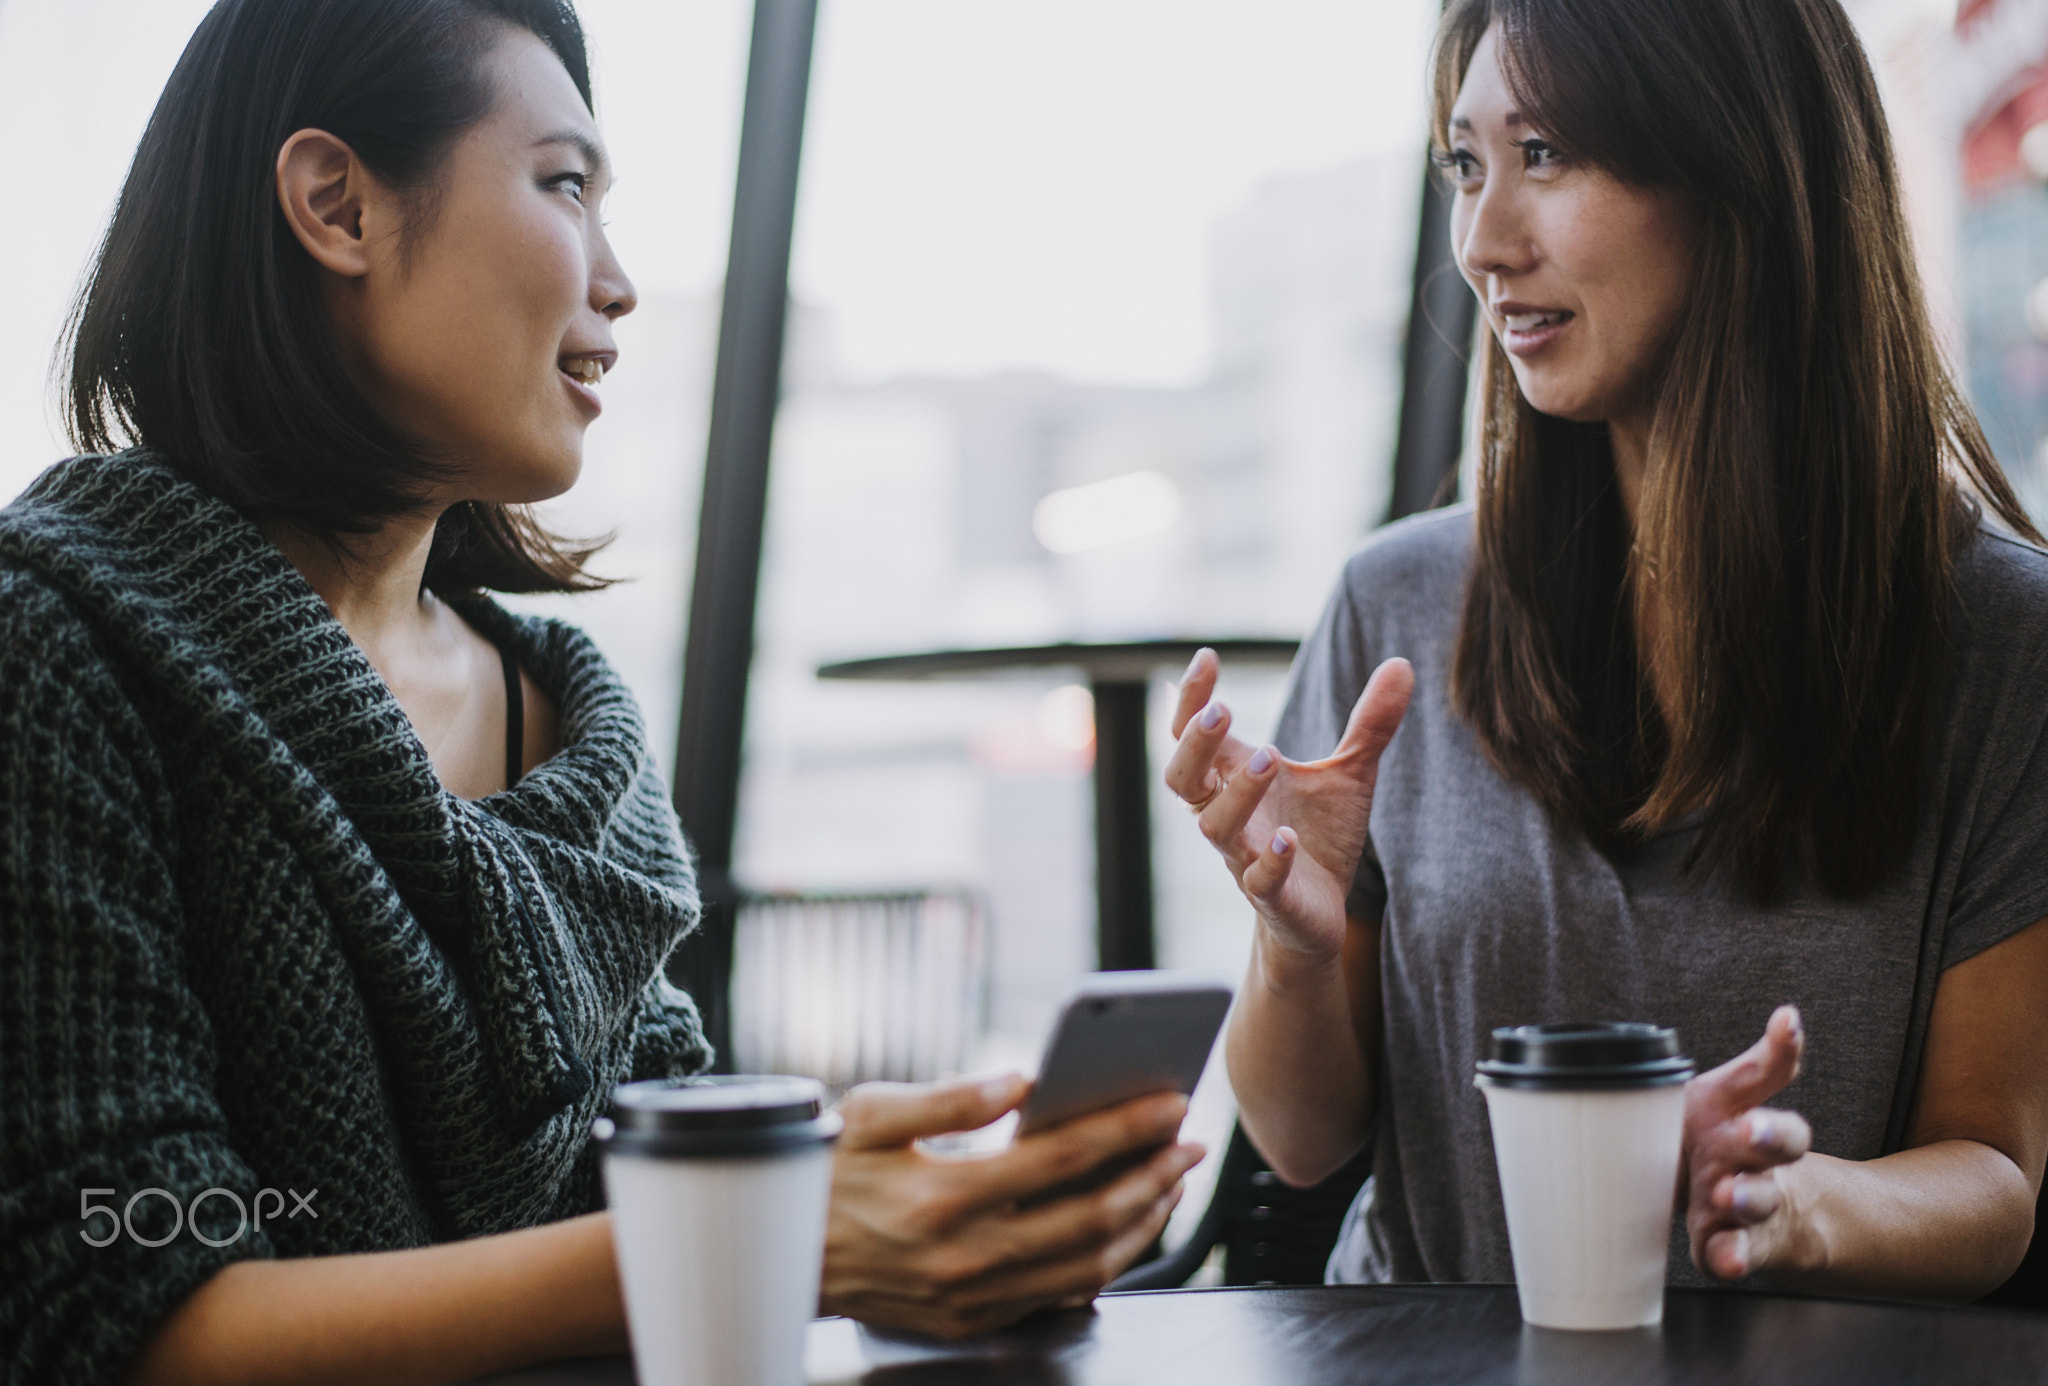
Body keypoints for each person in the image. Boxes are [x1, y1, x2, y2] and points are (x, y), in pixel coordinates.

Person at [0, 3, 1200, 1382]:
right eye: (566, 184)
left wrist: (920, 1206)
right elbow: (112, 1306)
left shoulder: (568, 729)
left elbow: (655, 1186)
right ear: (336, 205)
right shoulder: (56, 651)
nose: (617, 282)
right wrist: (780, 1229)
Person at [1169, 0, 2048, 1300]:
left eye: (1546, 155)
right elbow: (1300, 1146)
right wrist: (1294, 946)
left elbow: (1995, 1173)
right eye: (1467, 164)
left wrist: (1794, 1206)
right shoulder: (1393, 608)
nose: (1481, 241)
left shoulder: (2001, 645)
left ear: (1739, 172)